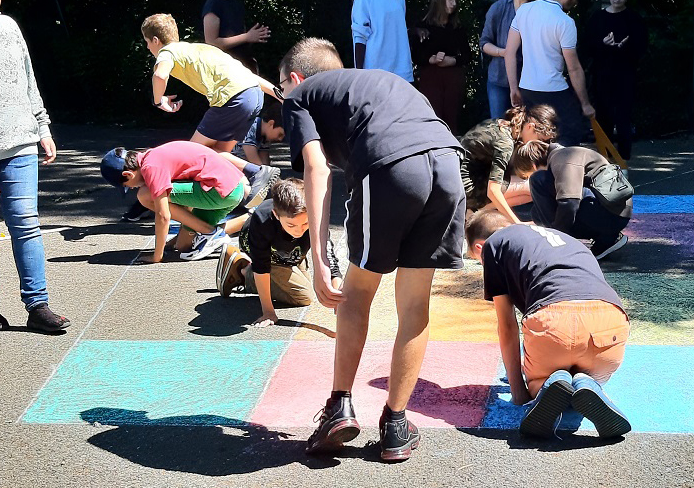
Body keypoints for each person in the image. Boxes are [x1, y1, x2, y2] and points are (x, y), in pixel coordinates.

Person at [278, 38, 465, 461]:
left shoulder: (299, 97)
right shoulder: (374, 83)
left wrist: (320, 257)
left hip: (391, 164)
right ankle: (396, 424)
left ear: (294, 79)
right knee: (415, 302)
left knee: (358, 291)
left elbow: (316, 168)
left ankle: (339, 406)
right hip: (449, 165)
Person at [466, 209, 631, 438]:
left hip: (555, 325)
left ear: (479, 248)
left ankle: (546, 386)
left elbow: (507, 326)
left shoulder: (493, 244)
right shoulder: (565, 238)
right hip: (609, 323)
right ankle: (587, 381)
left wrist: (519, 393)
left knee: (542, 391)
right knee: (585, 376)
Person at [139, 14, 281, 207]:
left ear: (155, 40)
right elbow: (248, 76)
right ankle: (251, 197)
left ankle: (257, 172)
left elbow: (159, 75)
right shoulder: (201, 49)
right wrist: (280, 95)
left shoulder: (167, 51)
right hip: (253, 96)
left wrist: (158, 101)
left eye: (147, 42)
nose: (148, 47)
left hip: (232, 98)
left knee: (191, 154)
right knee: (216, 156)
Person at [0, 0, 70, 332]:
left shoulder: (9, 27)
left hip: (19, 143)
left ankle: (37, 305)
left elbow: (27, 79)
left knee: (25, 225)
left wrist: (42, 125)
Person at [217, 178, 344, 327]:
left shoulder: (316, 218)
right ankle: (243, 272)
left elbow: (330, 260)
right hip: (262, 250)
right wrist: (268, 312)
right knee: (303, 296)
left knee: (315, 285)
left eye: (305, 223)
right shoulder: (264, 222)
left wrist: (339, 299)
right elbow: (262, 268)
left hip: (290, 252)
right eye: (291, 225)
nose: (299, 230)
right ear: (276, 215)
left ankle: (272, 267)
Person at [100, 142, 249, 262]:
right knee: (183, 245)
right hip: (230, 190)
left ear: (128, 174)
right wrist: (173, 241)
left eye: (126, 186)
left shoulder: (151, 167)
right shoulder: (151, 156)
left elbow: (163, 215)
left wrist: (157, 255)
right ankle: (248, 219)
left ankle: (210, 232)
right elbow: (186, 202)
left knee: (145, 195)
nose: (131, 188)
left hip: (220, 191)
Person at [505, 0, 594, 146]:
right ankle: (564, 171)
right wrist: (585, 104)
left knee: (535, 139)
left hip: (527, 88)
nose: (576, 1)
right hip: (554, 91)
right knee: (568, 135)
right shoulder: (565, 22)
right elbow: (574, 68)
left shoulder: (524, 11)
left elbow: (509, 52)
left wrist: (513, 88)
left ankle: (538, 173)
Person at [514, 141, 632, 259]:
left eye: (526, 176)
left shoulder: (562, 158)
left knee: (538, 180)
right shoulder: (564, 154)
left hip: (610, 214)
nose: (527, 180)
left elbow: (570, 202)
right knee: (537, 213)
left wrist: (556, 238)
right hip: (615, 212)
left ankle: (557, 244)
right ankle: (606, 239)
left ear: (533, 166)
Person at [583, 0, 647, 161]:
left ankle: (624, 158)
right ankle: (604, 158)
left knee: (624, 117)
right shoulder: (598, 18)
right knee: (603, 117)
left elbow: (642, 47)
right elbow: (587, 47)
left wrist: (626, 46)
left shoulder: (634, 19)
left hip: (626, 74)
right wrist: (603, 44)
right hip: (602, 74)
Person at [459, 104, 558, 222]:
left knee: (527, 184)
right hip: (467, 187)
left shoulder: (503, 125)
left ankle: (475, 212)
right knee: (533, 187)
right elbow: (493, 191)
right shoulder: (505, 143)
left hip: (463, 179)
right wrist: (516, 223)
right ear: (530, 127)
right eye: (540, 139)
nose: (539, 144)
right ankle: (475, 214)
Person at [479, 0, 538, 119]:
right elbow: (484, 43)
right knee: (499, 130)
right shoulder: (498, 8)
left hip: (528, 82)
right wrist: (504, 52)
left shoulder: (537, 9)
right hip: (499, 79)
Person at [412, 0, 469, 134]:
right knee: (432, 117)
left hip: (453, 77)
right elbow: (415, 55)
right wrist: (430, 59)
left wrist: (453, 61)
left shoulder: (457, 27)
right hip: (430, 78)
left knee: (452, 118)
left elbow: (467, 55)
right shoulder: (424, 26)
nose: (454, 3)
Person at [201, 0, 270, 73]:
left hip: (244, 66)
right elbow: (211, 42)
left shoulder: (236, 2)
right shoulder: (213, 4)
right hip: (226, 70)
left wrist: (255, 37)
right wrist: (247, 37)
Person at [351, 0, 414, 81]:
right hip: (375, 69)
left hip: (401, 69)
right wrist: (358, 73)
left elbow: (400, 30)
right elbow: (360, 37)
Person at [235, 99, 286, 166]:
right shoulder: (251, 126)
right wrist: (264, 172)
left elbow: (264, 160)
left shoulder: (265, 135)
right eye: (280, 134)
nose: (280, 139)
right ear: (271, 123)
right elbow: (253, 158)